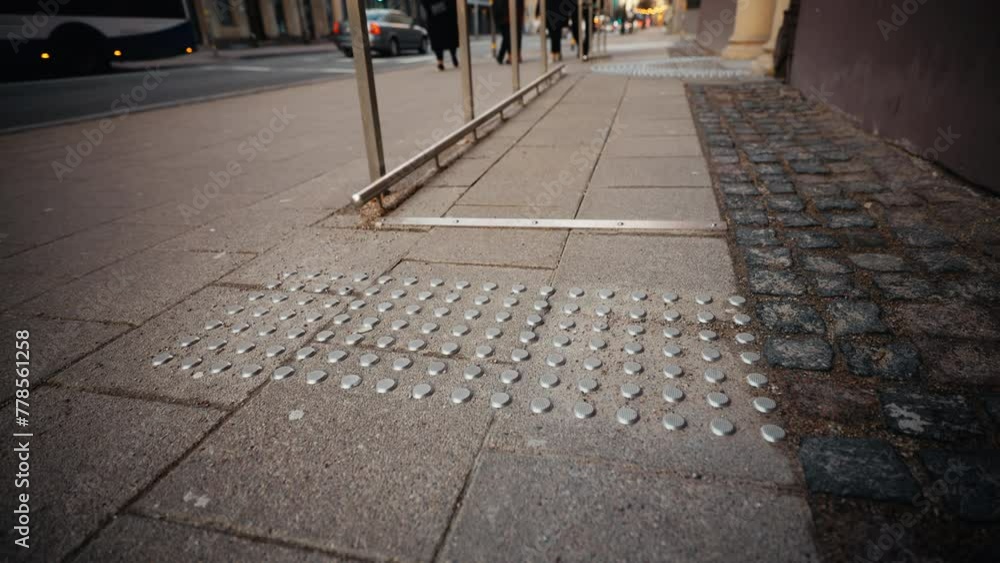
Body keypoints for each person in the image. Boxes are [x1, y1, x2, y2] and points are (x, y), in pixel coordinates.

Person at [421, 0, 459, 70]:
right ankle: (449, 58)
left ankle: (441, 61)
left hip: (436, 18)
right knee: (449, 39)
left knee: (440, 41)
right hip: (445, 17)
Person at [493, 0, 523, 65]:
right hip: (505, 19)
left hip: (505, 18)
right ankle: (504, 56)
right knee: (508, 38)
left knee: (508, 38)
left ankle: (507, 56)